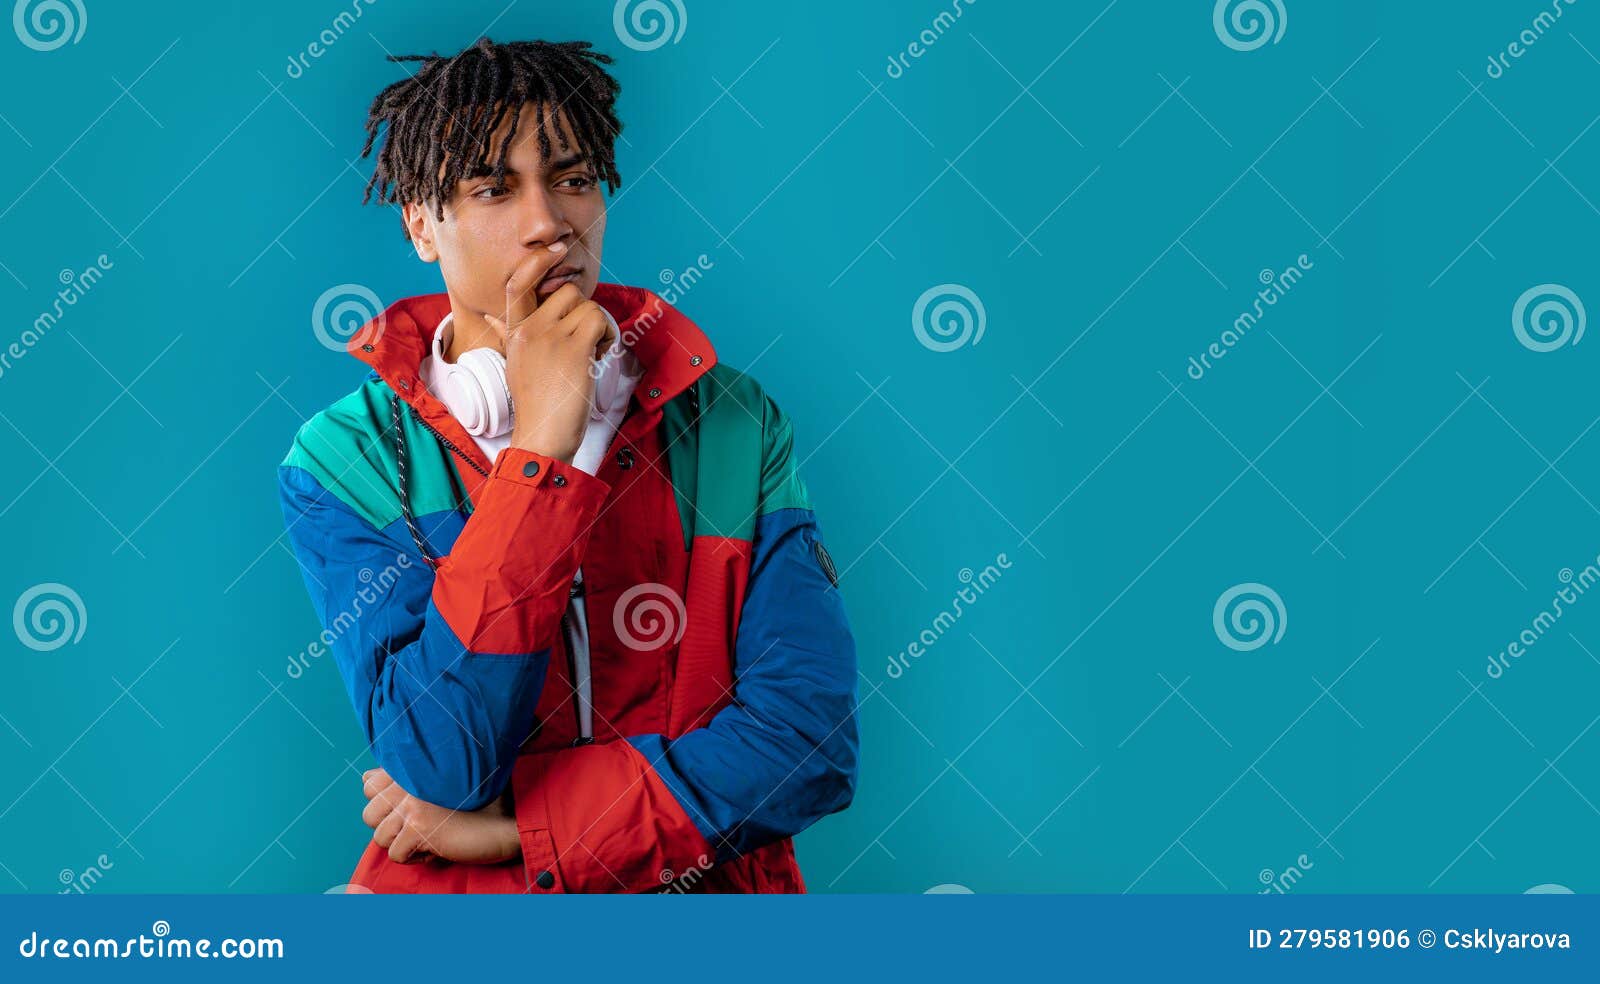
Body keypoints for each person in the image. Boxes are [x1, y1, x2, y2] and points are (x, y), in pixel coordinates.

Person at [275, 37, 858, 893]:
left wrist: (524, 834)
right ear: (421, 223)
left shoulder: (732, 421)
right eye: (493, 188)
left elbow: (807, 747)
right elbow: (444, 759)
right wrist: (542, 453)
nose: (549, 222)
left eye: (573, 180)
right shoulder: (344, 460)